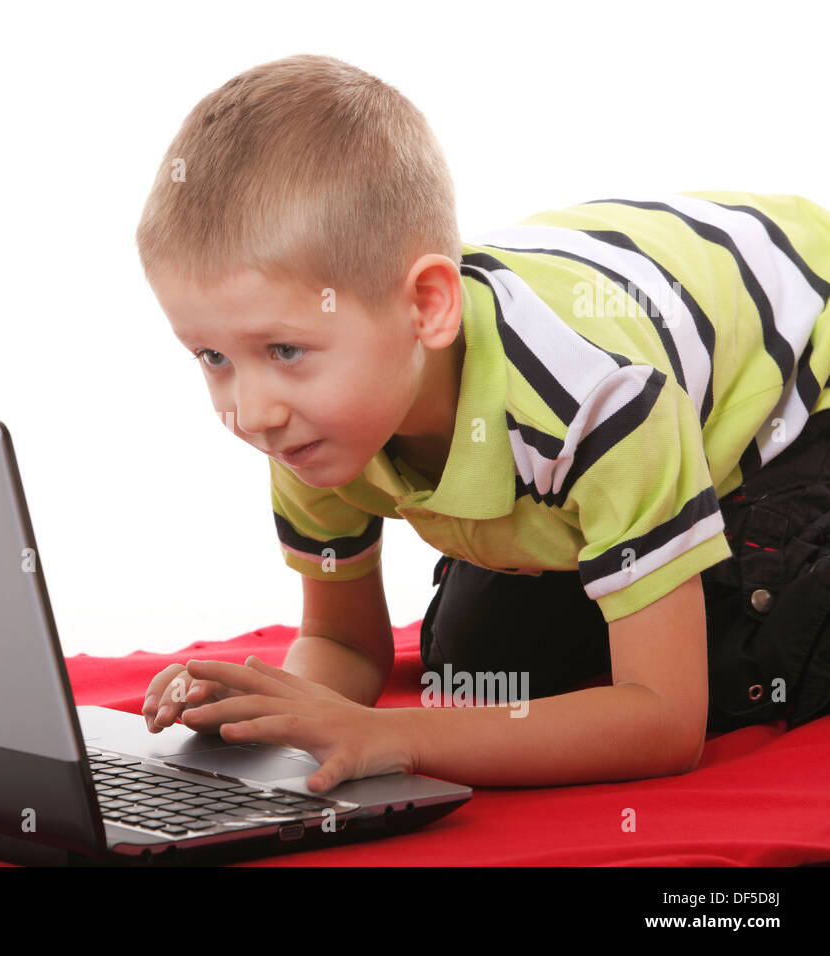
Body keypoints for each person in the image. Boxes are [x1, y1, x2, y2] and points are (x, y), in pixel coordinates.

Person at [131, 53, 830, 792]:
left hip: (801, 376)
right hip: (610, 405)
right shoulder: (300, 422)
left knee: (766, 655)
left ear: (427, 307)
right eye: (213, 356)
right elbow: (341, 641)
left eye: (285, 349)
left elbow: (665, 722)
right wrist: (261, 714)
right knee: (476, 670)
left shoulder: (600, 403)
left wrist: (392, 736)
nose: (250, 411)